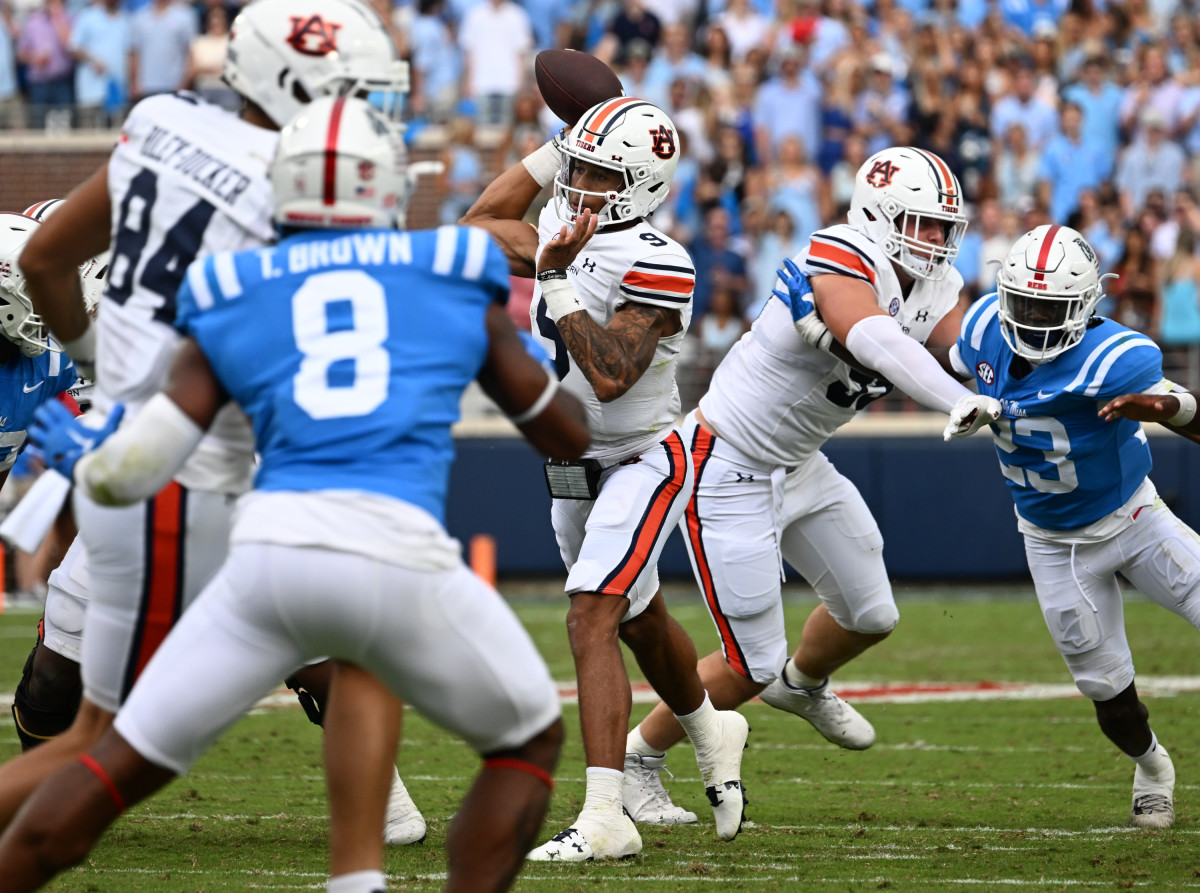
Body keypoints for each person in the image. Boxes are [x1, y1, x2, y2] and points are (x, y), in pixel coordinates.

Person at [0, 94, 590, 893]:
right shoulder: (443, 271)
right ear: (387, 192)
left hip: (260, 548)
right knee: (522, 741)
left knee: (106, 758)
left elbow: (146, 457)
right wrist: (533, 318)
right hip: (393, 551)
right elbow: (568, 435)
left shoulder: (228, 286)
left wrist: (96, 464)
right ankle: (362, 871)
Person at [0, 0, 425, 849]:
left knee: (110, 717)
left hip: (186, 452)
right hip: (192, 452)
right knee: (58, 699)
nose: (366, 113)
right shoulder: (311, 188)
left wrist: (94, 357)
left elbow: (47, 256)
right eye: (351, 91)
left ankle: (380, 812)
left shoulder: (161, 120)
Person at [621, 146, 1001, 808]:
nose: (937, 240)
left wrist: (1043, 343)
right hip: (727, 461)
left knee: (871, 613)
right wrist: (953, 397)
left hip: (799, 460)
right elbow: (877, 338)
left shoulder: (935, 282)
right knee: (747, 664)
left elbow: (972, 343)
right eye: (922, 223)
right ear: (879, 216)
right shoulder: (842, 250)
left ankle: (802, 684)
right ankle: (638, 758)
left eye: (944, 226)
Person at [462, 97, 750, 860]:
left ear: (645, 184)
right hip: (572, 466)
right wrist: (559, 148)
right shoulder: (566, 228)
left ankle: (605, 814)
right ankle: (712, 727)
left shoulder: (659, 256)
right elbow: (478, 226)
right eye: (576, 167)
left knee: (590, 611)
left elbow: (614, 373)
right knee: (638, 621)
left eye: (598, 171)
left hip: (644, 456)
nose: (580, 183)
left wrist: (554, 281)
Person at [951, 223, 1200, 830]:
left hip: (1136, 518)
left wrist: (1160, 406)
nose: (1033, 317)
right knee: (1110, 698)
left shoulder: (1120, 357)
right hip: (1052, 543)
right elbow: (955, 370)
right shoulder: (984, 325)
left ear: (1086, 305)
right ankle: (1152, 766)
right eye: (1024, 302)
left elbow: (1192, 414)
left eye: (1050, 307)